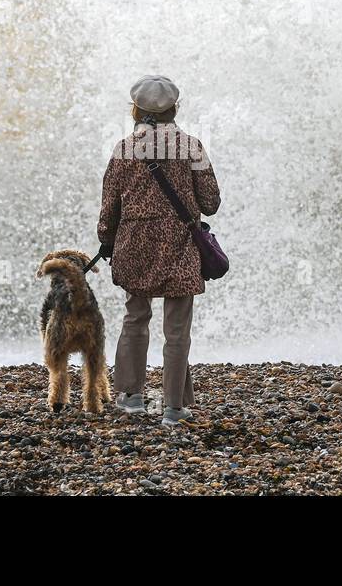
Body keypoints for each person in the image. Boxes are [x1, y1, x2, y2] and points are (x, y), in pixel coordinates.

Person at [97, 75, 221, 426]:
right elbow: (210, 203)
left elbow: (109, 208)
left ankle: (133, 397)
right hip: (180, 244)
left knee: (135, 319)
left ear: (135, 109)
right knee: (177, 330)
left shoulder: (123, 149)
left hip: (134, 246)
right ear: (174, 108)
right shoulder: (192, 147)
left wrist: (107, 239)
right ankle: (173, 408)